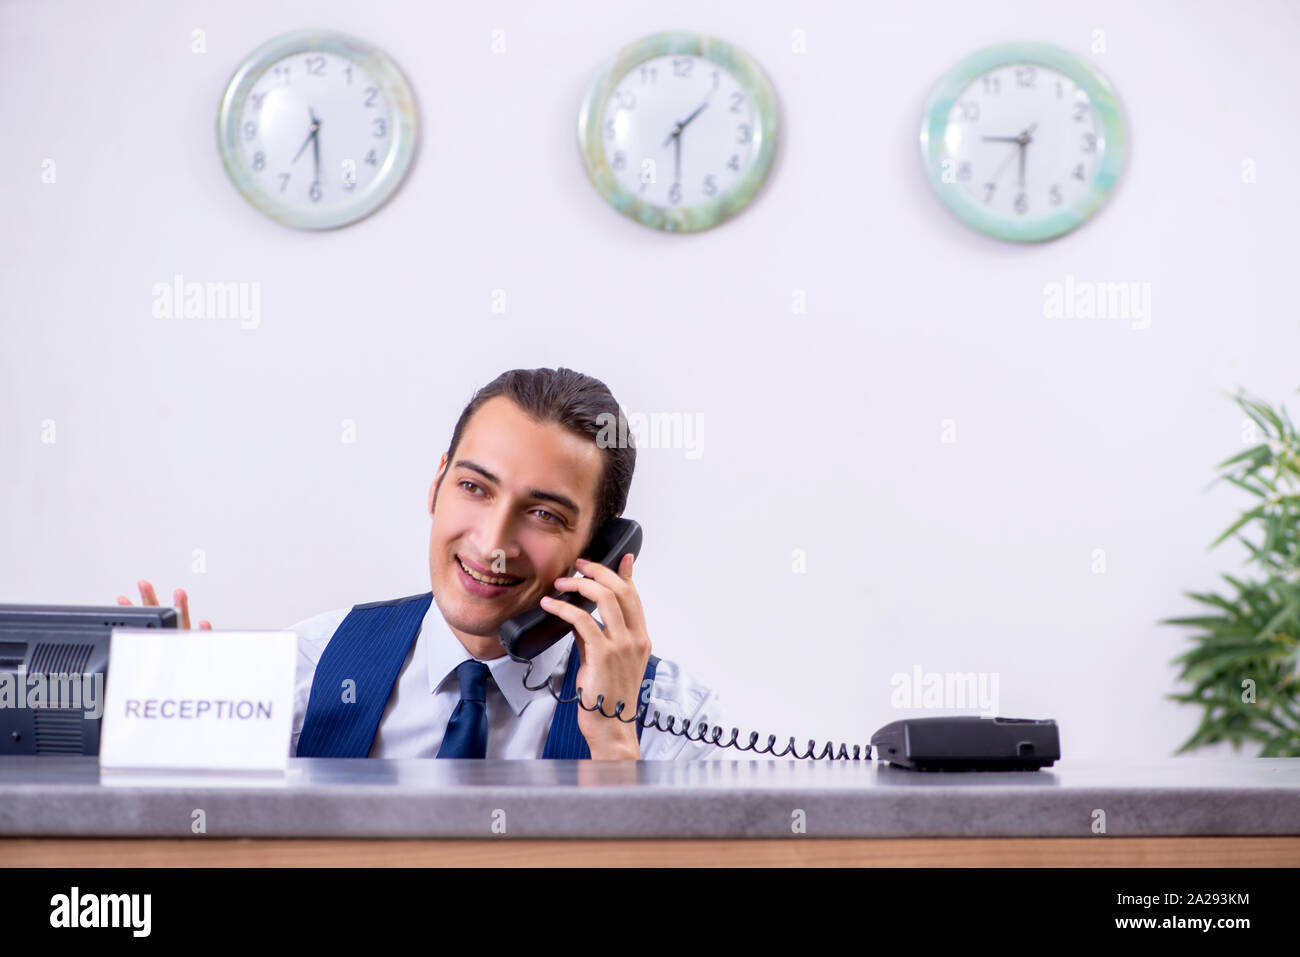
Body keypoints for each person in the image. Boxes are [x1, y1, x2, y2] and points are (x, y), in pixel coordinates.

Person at [119, 367, 728, 759]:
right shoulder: (306, 667)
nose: (494, 541)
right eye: (475, 488)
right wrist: (169, 729)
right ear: (437, 484)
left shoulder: (674, 723)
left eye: (544, 514)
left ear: (602, 548)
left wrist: (615, 742)